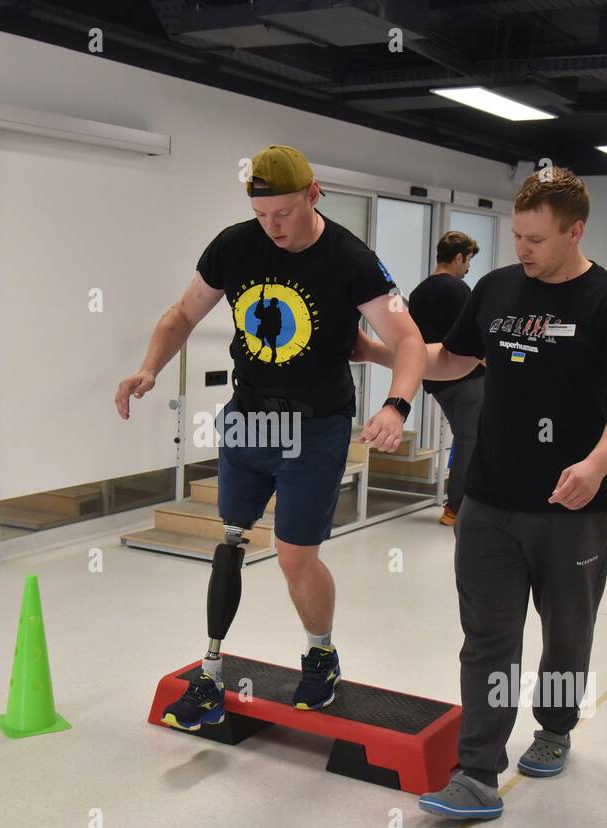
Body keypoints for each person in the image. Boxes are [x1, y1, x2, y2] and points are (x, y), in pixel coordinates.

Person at [354, 167, 607, 820]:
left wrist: (598, 464)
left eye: (537, 239)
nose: (522, 249)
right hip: (489, 499)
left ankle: (554, 726)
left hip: (573, 508)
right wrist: (379, 354)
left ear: (575, 231)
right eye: (517, 236)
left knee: (566, 633)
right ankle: (477, 773)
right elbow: (451, 360)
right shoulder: (494, 288)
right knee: (488, 639)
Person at [114, 144, 425, 727]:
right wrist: (149, 367)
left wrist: (397, 404)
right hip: (249, 416)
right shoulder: (234, 245)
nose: (272, 227)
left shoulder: (351, 259)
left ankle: (321, 653)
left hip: (316, 424)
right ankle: (210, 673)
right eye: (261, 215)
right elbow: (181, 315)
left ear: (313, 194)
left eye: (282, 212)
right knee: (229, 540)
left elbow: (407, 340)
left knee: (293, 556)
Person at [407, 231, 486, 527]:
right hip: (466, 378)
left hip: (436, 379)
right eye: (467, 261)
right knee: (471, 439)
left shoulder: (418, 293)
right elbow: (472, 335)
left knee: (466, 438)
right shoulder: (459, 289)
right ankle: (456, 507)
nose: (468, 268)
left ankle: (461, 501)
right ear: (458, 257)